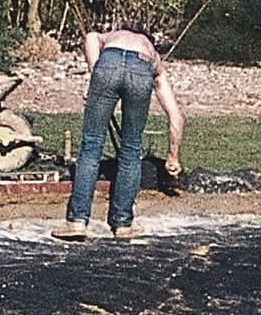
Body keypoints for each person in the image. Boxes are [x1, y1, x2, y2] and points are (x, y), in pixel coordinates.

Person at [54, 22, 185, 240]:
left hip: (108, 63)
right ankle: (123, 224)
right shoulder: (154, 59)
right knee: (131, 148)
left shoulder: (110, 37)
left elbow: (90, 37)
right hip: (141, 72)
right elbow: (176, 116)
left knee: (91, 146)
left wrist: (96, 75)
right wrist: (173, 157)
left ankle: (77, 222)